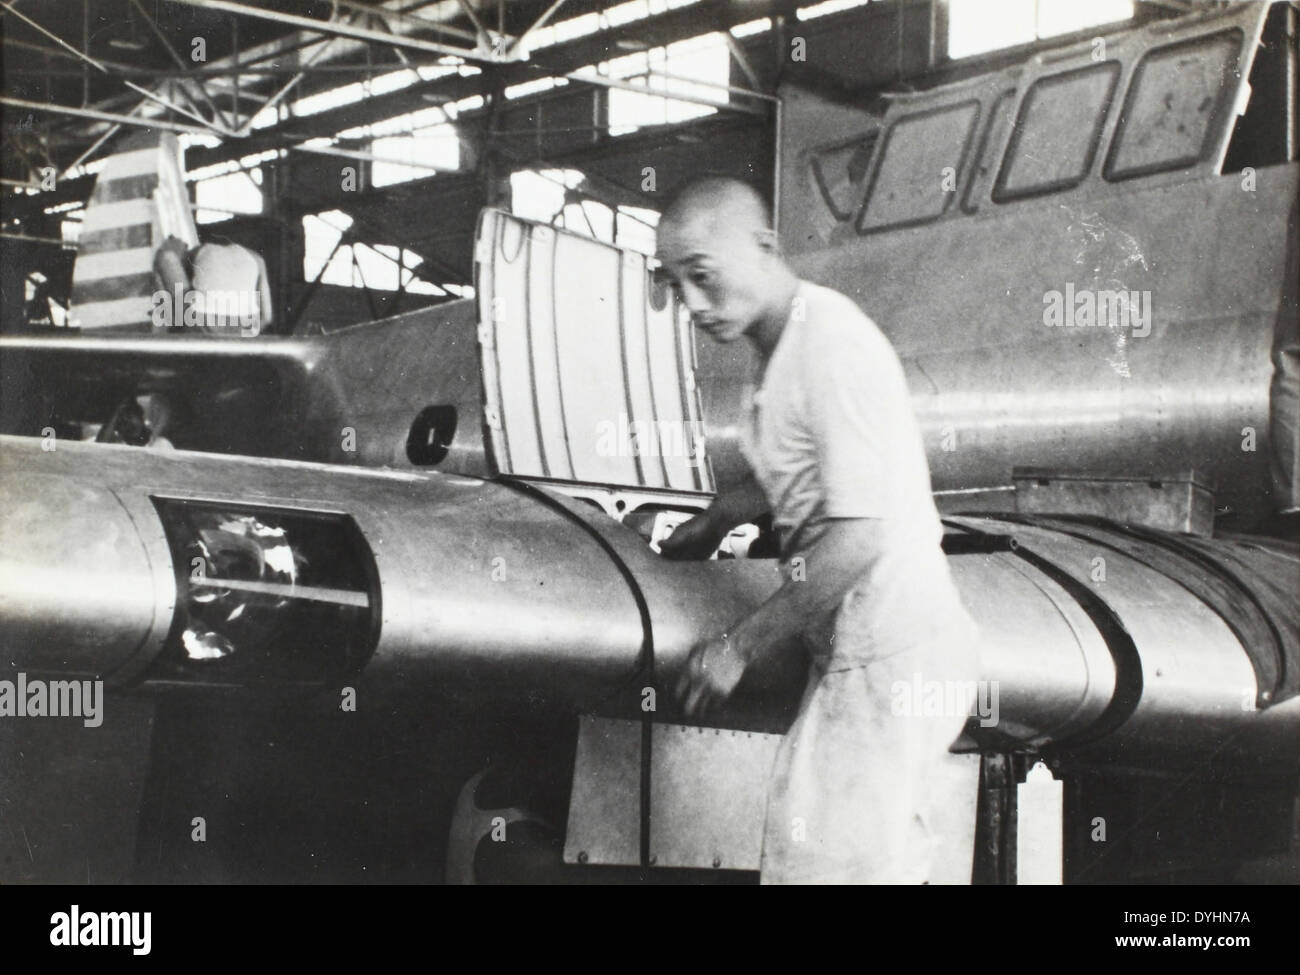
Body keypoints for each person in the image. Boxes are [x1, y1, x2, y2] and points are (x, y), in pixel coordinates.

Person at [657, 176, 981, 884]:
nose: (692, 304)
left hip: (888, 655)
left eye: (703, 277)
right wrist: (717, 519)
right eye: (676, 284)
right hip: (879, 650)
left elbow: (859, 536)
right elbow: (796, 467)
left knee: (818, 869)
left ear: (765, 246)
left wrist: (737, 646)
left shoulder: (830, 344)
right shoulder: (779, 349)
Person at [154, 234, 273, 336]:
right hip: (241, 328)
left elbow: (177, 261)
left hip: (199, 323)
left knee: (166, 257)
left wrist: (175, 244)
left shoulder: (203, 250)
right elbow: (266, 317)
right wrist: (242, 336)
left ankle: (168, 325)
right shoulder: (258, 260)